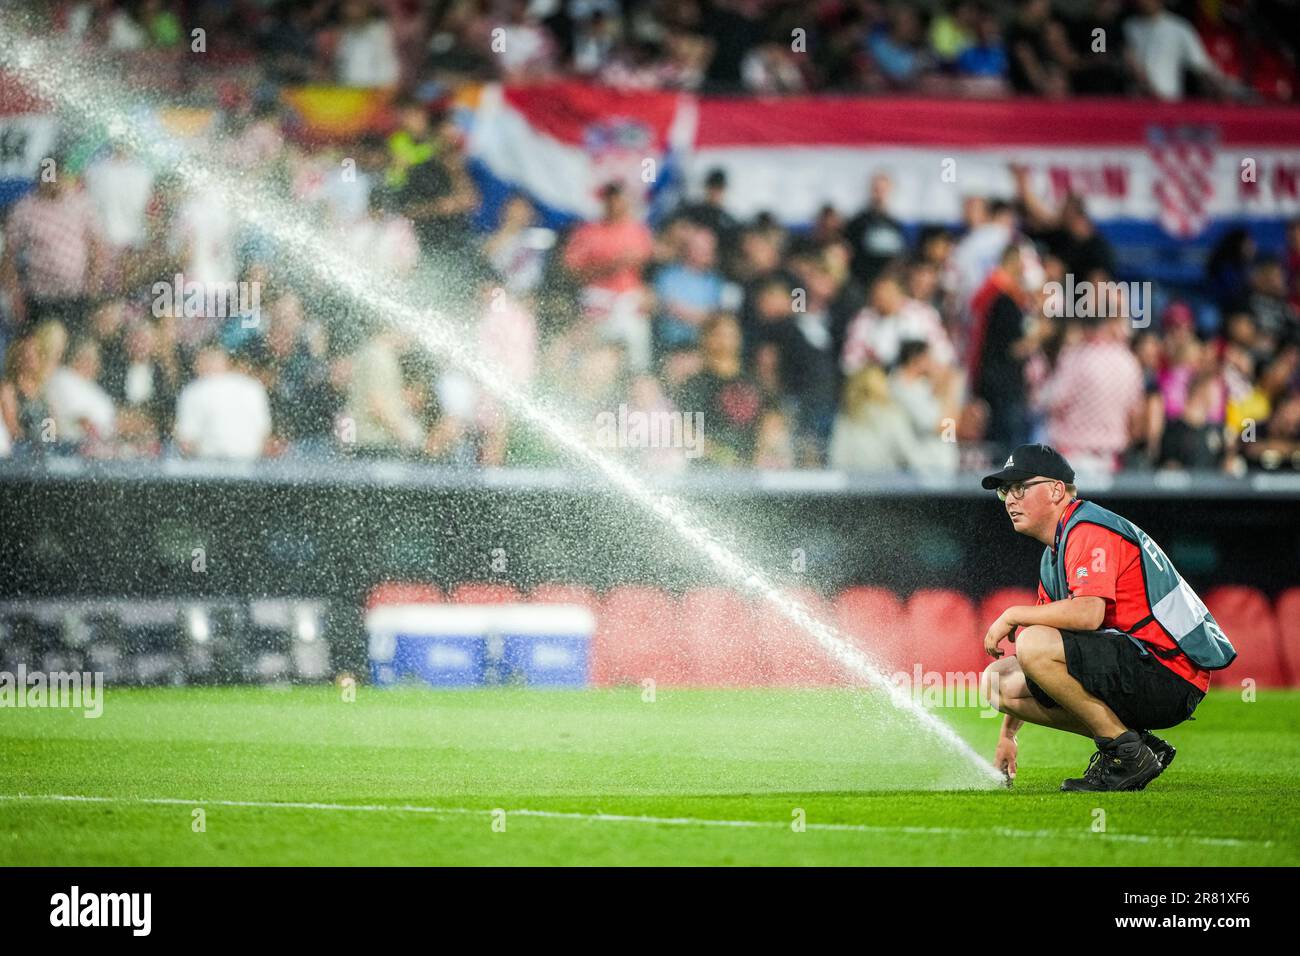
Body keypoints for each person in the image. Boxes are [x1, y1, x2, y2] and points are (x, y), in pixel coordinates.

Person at [978, 444, 1235, 791]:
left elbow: (1088, 613)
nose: (1010, 499)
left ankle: (1128, 753)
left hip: (1172, 674)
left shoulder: (1087, 527)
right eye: (1004, 491)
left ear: (1056, 490)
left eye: (1020, 488)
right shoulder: (1056, 548)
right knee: (996, 683)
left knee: (1033, 642)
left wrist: (1013, 614)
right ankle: (1133, 744)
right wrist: (1008, 735)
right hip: (1144, 664)